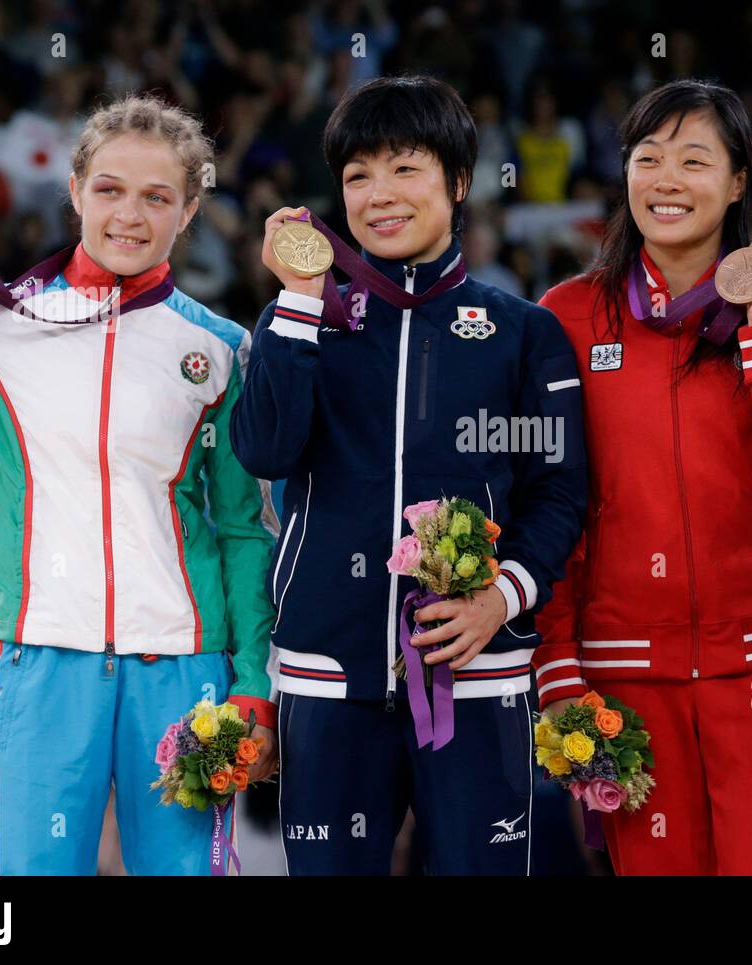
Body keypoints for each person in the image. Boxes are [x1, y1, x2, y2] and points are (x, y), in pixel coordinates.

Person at [0, 95, 279, 875]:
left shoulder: (221, 348)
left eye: (158, 196)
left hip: (187, 672)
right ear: (77, 187)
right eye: (111, 188)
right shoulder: (0, 328)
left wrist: (254, 685)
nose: (131, 214)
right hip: (44, 663)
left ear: (188, 209)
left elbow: (245, 531)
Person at [230, 75, 587, 875]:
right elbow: (264, 452)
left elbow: (561, 493)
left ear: (459, 182)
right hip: (327, 672)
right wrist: (296, 302)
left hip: (479, 671)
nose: (379, 195)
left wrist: (502, 598)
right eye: (358, 175)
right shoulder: (301, 316)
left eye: (405, 169)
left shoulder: (523, 334)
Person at [530, 79, 752, 875]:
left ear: (740, 181)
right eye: (648, 158)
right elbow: (551, 501)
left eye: (694, 159)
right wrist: (559, 663)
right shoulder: (566, 316)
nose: (666, 180)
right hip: (626, 669)